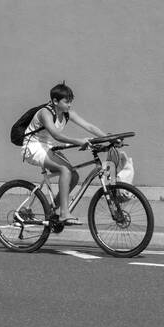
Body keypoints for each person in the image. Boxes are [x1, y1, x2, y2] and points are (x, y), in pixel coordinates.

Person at [21, 82, 108, 224]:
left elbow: (89, 126)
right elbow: (56, 135)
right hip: (32, 147)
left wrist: (109, 139)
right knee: (65, 170)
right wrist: (78, 141)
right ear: (55, 101)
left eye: (71, 101)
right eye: (67, 101)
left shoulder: (67, 114)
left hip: (47, 146)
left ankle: (53, 210)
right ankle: (64, 213)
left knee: (73, 176)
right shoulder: (45, 113)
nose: (70, 105)